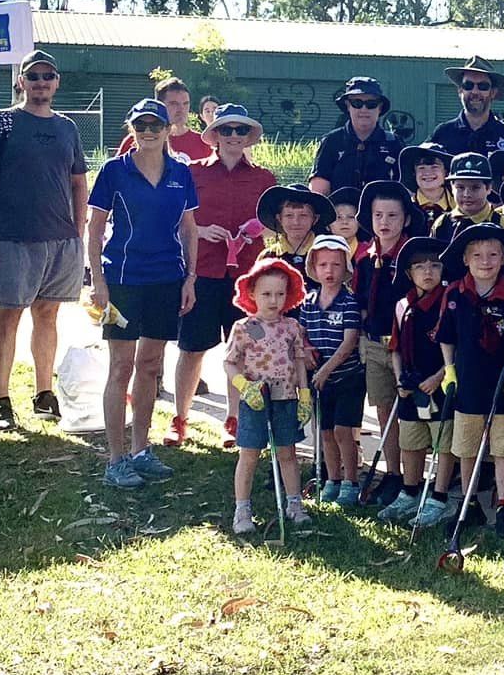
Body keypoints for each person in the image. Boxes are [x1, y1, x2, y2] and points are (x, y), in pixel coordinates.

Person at [0, 49, 91, 432]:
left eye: (47, 76)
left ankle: (43, 393)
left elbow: (78, 182)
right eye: (32, 76)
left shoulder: (67, 126)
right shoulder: (2, 123)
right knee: (9, 316)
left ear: (56, 82)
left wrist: (78, 233)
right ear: (21, 81)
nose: (40, 82)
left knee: (48, 314)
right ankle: (1, 401)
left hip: (61, 240)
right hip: (15, 238)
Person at [84, 98, 199, 487]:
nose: (148, 131)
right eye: (141, 125)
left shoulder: (181, 174)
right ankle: (115, 459)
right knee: (121, 367)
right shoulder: (114, 171)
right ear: (131, 129)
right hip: (123, 280)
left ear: (168, 129)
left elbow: (189, 229)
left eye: (155, 125)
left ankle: (141, 450)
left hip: (167, 279)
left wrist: (190, 278)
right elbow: (95, 228)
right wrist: (97, 280)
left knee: (151, 365)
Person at [169, 102, 277, 448]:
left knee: (241, 352)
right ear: (214, 135)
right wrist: (199, 231)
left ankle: (236, 421)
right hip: (203, 272)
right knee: (192, 348)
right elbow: (173, 219)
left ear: (249, 137)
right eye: (226, 129)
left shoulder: (264, 179)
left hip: (248, 278)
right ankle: (180, 419)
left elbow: (279, 227)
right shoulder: (193, 173)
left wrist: (256, 229)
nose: (233, 136)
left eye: (240, 130)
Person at [434, 221, 504, 533]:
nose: (485, 262)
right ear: (465, 259)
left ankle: (503, 506)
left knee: (503, 447)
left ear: (503, 258)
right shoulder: (455, 294)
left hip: (503, 383)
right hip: (468, 383)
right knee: (466, 445)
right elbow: (447, 336)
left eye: (492, 255)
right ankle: (469, 502)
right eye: (477, 256)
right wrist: (449, 370)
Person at [224, 256, 315, 534]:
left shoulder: (292, 328)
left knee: (288, 452)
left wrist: (305, 394)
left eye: (280, 294)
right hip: (255, 399)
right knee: (249, 454)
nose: (273, 300)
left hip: (286, 399)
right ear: (252, 293)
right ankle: (242, 509)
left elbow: (299, 360)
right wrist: (243, 385)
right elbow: (228, 361)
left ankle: (294, 503)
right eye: (266, 294)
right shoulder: (243, 327)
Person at [380, 236, 455, 526]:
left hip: (439, 386)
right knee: (411, 442)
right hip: (411, 389)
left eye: (435, 266)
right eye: (420, 267)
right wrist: (400, 378)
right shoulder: (403, 305)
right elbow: (395, 348)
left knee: (442, 443)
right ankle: (410, 492)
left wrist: (440, 377)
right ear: (409, 273)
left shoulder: (450, 302)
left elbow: (459, 348)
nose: (428, 272)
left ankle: (439, 497)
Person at [355, 180, 422, 492]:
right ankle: (392, 473)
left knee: (410, 414)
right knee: (384, 410)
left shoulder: (413, 257)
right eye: (378, 215)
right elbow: (360, 302)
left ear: (406, 219)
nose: (384, 222)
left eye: (392, 216)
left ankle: (413, 478)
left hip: (407, 347)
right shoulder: (364, 257)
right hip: (374, 344)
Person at [298, 234, 364, 505]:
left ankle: (351, 481)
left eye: (336, 265)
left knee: (342, 430)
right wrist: (305, 349)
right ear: (314, 268)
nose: (329, 271)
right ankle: (332, 479)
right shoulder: (308, 301)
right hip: (318, 381)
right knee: (324, 431)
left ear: (345, 268)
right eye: (323, 265)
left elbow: (349, 343)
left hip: (346, 377)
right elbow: (300, 333)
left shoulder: (349, 302)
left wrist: (325, 369)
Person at [308, 77, 403, 196]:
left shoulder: (394, 143)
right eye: (357, 103)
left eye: (371, 104)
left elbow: (404, 187)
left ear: (380, 107)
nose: (364, 109)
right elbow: (319, 191)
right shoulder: (331, 142)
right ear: (348, 106)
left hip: (381, 214)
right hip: (340, 213)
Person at [430, 56, 504, 157]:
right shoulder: (442, 134)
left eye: (482, 86)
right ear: (460, 91)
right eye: (468, 85)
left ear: (493, 92)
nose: (475, 92)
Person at [113, 75, 211, 160]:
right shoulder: (140, 138)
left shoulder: (203, 142)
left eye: (185, 104)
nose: (181, 109)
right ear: (160, 105)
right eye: (174, 104)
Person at [430, 153, 504, 250]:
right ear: (452, 188)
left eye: (475, 188)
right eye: (460, 188)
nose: (467, 194)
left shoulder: (502, 224)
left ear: (488, 188)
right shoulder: (442, 224)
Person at [256, 184, 331, 272]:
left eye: (303, 215)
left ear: (315, 219)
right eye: (289, 216)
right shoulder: (268, 257)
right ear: (279, 219)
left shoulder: (326, 253)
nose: (296, 222)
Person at [397, 143, 452, 234]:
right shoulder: (404, 207)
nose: (427, 173)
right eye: (421, 168)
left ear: (446, 171)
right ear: (414, 173)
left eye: (434, 167)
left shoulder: (460, 207)